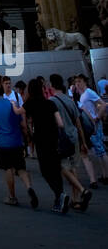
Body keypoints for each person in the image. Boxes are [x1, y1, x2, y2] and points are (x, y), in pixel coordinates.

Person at [0, 81, 38, 207]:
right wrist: (25, 136)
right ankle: (29, 187)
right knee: (21, 168)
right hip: (16, 141)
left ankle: (12, 196)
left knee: (8, 168)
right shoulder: (12, 104)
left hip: (3, 143)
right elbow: (22, 123)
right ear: (3, 92)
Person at [23, 77, 70, 214]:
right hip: (54, 139)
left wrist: (14, 105)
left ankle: (59, 194)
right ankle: (60, 196)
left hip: (41, 140)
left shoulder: (31, 103)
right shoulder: (50, 103)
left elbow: (18, 112)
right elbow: (60, 123)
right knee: (55, 168)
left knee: (45, 170)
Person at [49, 73, 94, 208]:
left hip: (62, 139)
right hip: (74, 137)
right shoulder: (70, 99)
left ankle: (81, 191)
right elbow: (78, 122)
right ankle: (75, 199)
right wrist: (83, 141)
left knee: (63, 167)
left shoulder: (52, 101)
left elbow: (54, 123)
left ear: (51, 85)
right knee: (73, 167)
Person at [75, 73, 108, 183]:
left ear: (84, 81)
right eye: (76, 82)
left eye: (79, 81)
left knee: (101, 150)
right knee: (99, 151)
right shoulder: (84, 93)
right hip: (91, 124)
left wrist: (97, 117)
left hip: (94, 124)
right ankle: (104, 175)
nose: (77, 84)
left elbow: (103, 104)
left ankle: (106, 175)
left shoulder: (89, 92)